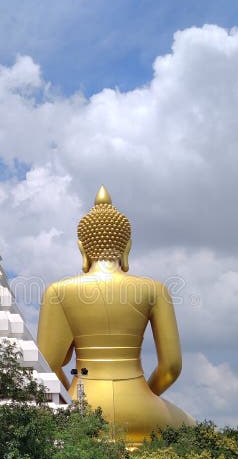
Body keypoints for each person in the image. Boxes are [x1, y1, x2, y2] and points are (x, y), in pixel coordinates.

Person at [37, 185, 194, 445]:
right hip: (142, 411)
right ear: (127, 246)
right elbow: (171, 367)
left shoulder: (59, 291)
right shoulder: (155, 290)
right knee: (193, 428)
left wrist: (70, 397)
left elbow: (50, 365)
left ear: (82, 248)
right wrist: (144, 395)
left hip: (81, 409)